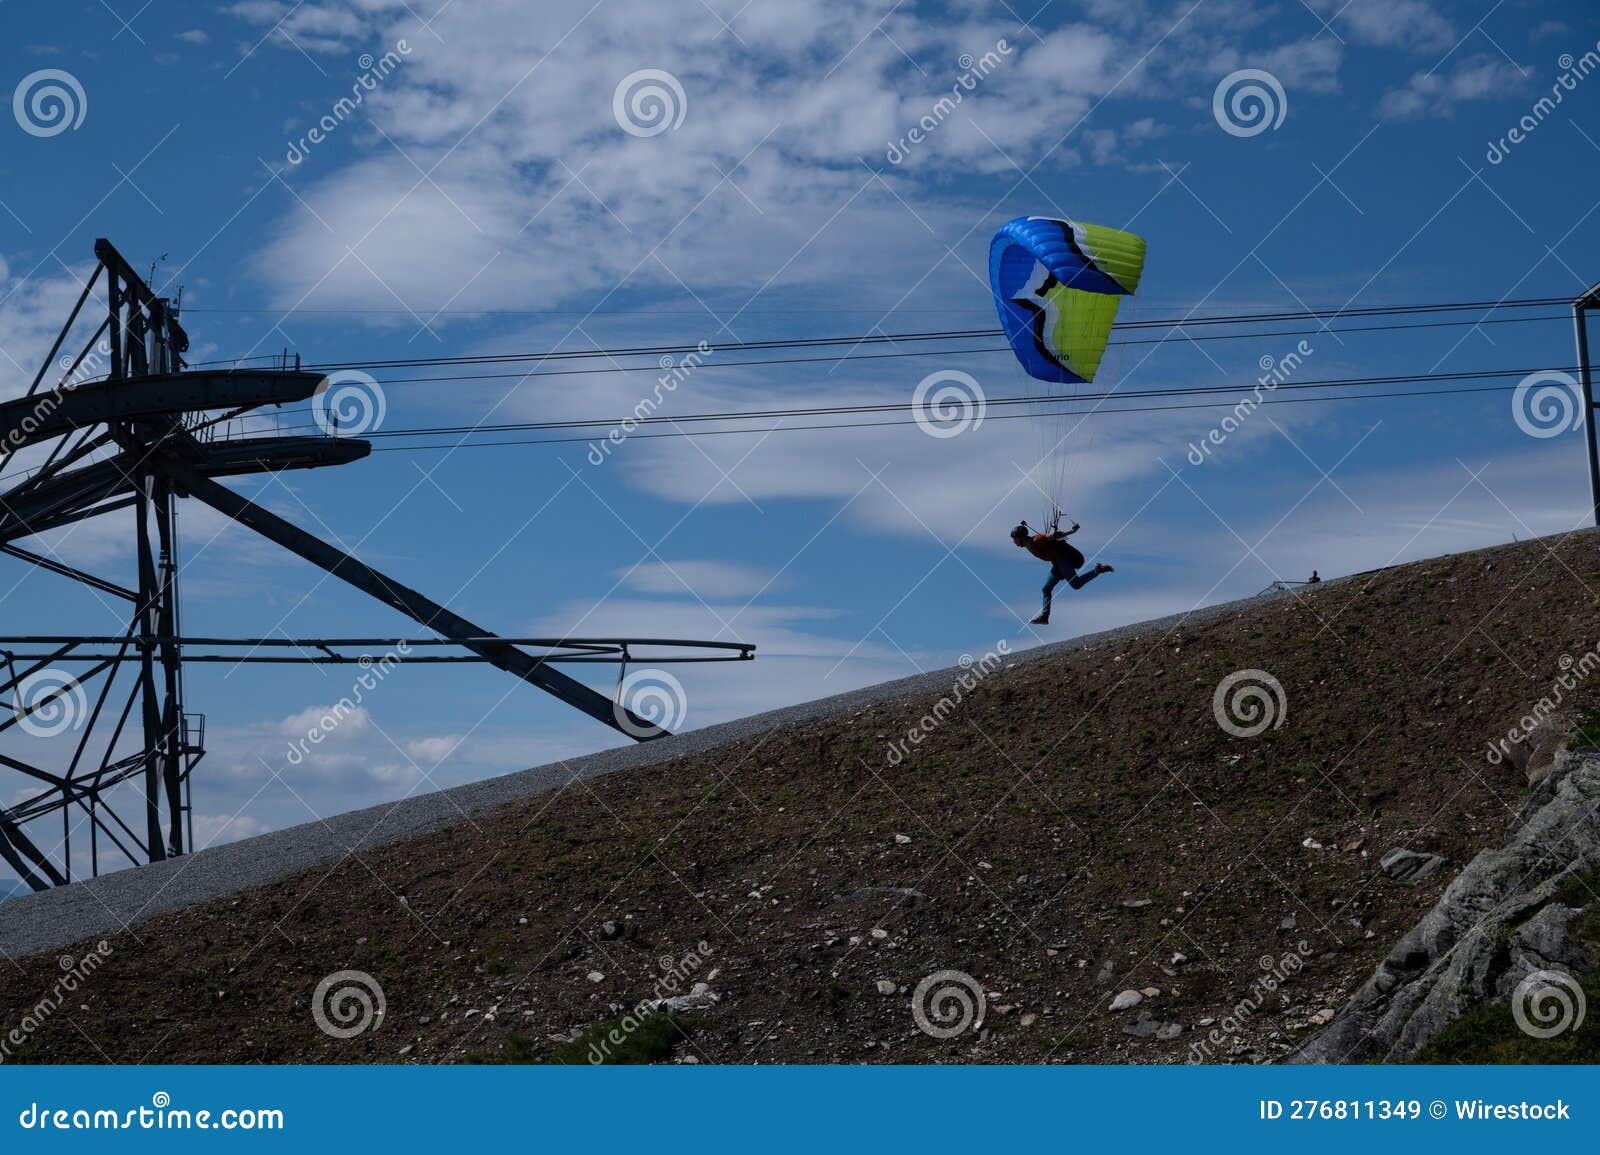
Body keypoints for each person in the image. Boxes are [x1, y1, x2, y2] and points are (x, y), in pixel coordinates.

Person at [1011, 519, 1113, 625]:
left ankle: (1098, 570)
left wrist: (1072, 531)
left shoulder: (1037, 540)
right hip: (1056, 563)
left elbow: (1055, 535)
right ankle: (1044, 617)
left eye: (1014, 539)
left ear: (1021, 537)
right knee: (1046, 589)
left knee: (1076, 584)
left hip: (1063, 560)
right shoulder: (1029, 544)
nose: (1014, 542)